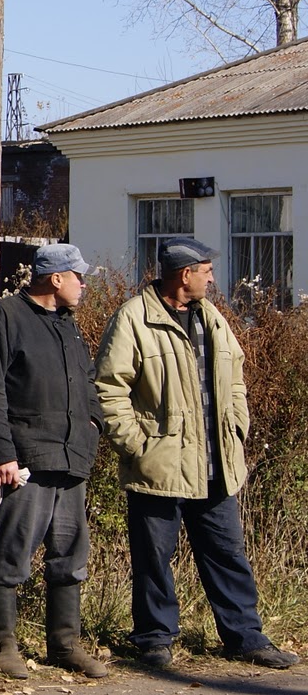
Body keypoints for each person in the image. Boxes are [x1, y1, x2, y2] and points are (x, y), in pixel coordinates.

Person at [95, 237, 298, 670]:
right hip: (159, 465)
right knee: (153, 559)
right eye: (205, 270)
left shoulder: (212, 318)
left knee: (228, 555)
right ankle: (154, 640)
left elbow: (236, 376)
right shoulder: (134, 319)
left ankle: (246, 638)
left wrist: (236, 427)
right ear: (184, 274)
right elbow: (109, 389)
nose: (211, 277)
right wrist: (137, 444)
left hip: (217, 465)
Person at [0, 244, 108, 679]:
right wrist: (2, 454)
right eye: (78, 276)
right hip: (26, 460)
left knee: (70, 555)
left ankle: (65, 645)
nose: (84, 284)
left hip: (71, 458)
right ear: (55, 279)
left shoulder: (68, 326)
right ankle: (1, 645)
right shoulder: (5, 317)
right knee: (11, 552)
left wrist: (93, 425)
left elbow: (87, 383)